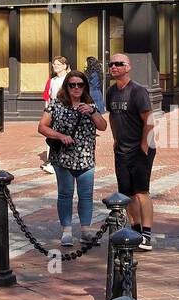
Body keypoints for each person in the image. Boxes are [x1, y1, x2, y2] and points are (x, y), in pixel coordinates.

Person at [38, 69, 107, 246]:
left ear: (85, 87)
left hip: (85, 156)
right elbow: (42, 127)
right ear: (66, 86)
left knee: (86, 195)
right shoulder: (56, 104)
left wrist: (92, 112)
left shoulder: (91, 105)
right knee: (65, 193)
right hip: (63, 157)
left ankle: (85, 230)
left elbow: (103, 126)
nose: (76, 88)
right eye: (72, 85)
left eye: (80, 85)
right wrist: (60, 136)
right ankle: (66, 230)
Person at [106, 54, 155, 250]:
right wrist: (116, 139)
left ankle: (147, 234)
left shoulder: (138, 91)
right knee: (127, 194)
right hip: (121, 149)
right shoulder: (110, 92)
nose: (114, 67)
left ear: (128, 67)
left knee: (142, 192)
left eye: (119, 64)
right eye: (111, 64)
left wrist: (144, 145)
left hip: (140, 150)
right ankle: (135, 230)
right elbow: (111, 116)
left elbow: (148, 120)